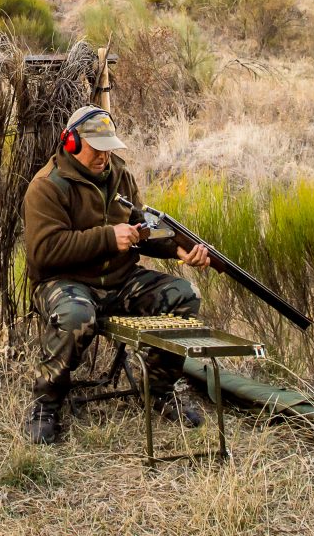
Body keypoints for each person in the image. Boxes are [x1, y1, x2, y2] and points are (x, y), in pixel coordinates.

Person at [21, 105, 213, 444]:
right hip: (64, 282)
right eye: (96, 148)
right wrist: (108, 238)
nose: (104, 156)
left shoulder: (120, 174)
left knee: (185, 296)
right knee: (76, 315)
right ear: (71, 142)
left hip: (120, 281)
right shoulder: (47, 187)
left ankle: (160, 389)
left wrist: (177, 250)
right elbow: (44, 251)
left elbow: (141, 229)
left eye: (109, 147)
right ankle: (45, 404)